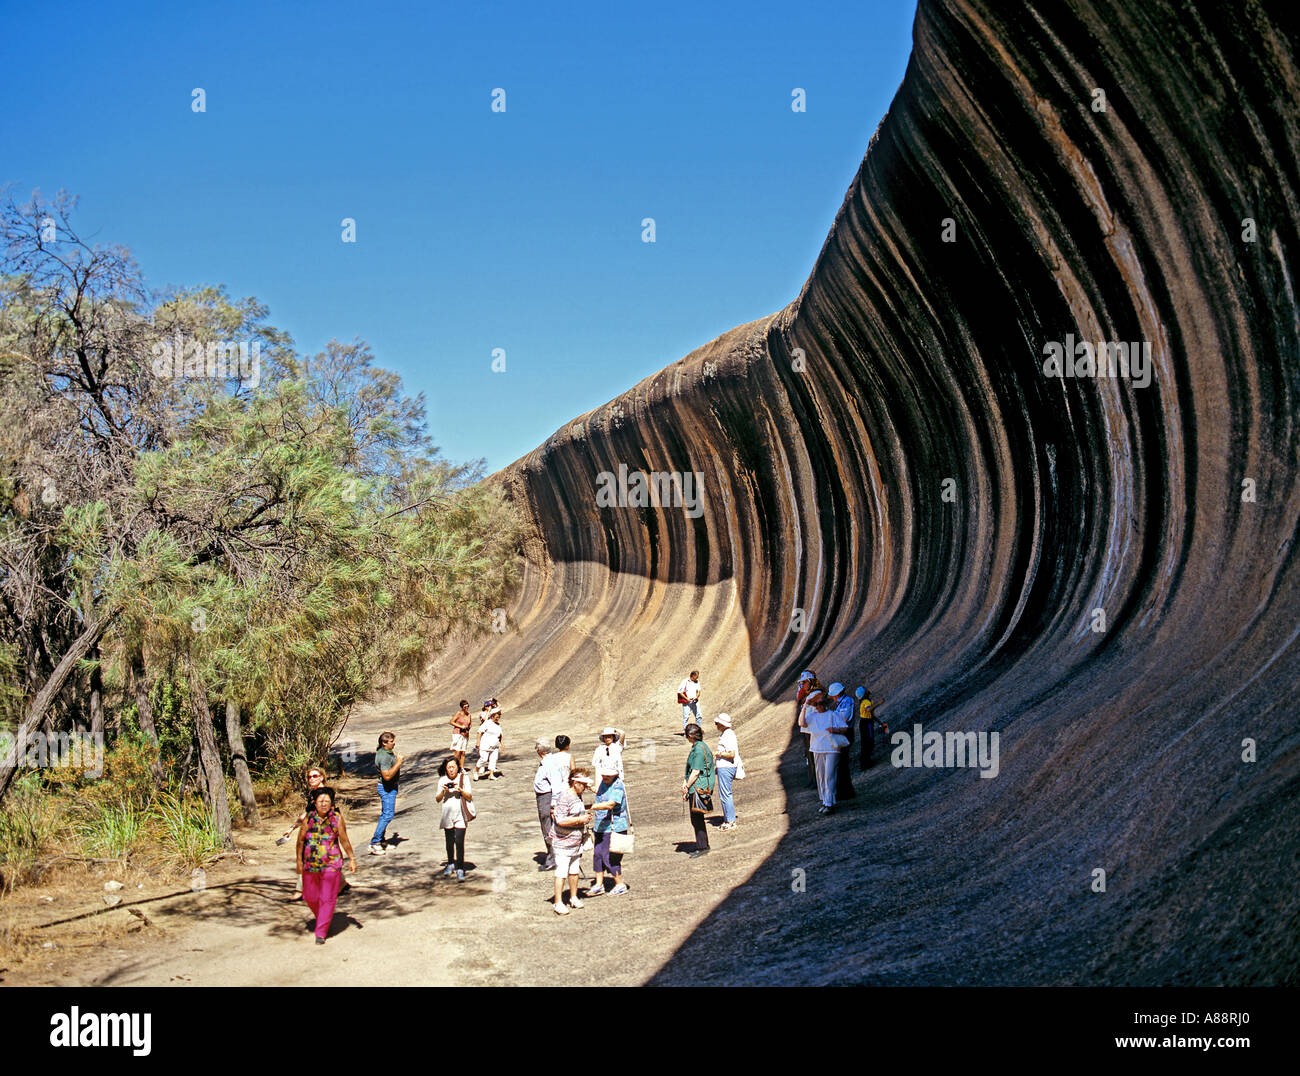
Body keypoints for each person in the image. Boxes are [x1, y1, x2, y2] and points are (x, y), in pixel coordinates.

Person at [296, 786, 357, 944]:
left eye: (327, 801)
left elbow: (344, 839)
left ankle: (321, 932)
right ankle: (323, 917)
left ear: (332, 803)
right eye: (320, 801)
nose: (323, 804)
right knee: (309, 897)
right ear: (314, 802)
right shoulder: (308, 818)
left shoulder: (336, 818)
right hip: (310, 865)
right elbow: (300, 841)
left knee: (327, 898)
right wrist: (298, 862)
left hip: (332, 864)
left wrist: (352, 858)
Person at [550, 766, 593, 914]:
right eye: (583, 784)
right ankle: (558, 902)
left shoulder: (577, 796)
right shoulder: (565, 796)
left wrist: (583, 817)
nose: (585, 787)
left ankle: (573, 897)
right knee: (562, 871)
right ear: (575, 783)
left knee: (574, 870)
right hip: (563, 841)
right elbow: (560, 820)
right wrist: (580, 819)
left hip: (575, 841)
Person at [801, 687, 849, 814]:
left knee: (829, 775)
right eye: (816, 704)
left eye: (821, 703)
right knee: (821, 776)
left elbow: (845, 727)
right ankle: (826, 801)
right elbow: (801, 723)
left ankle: (829, 803)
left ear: (825, 704)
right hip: (817, 749)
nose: (819, 706)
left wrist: (834, 730)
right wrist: (805, 706)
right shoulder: (811, 716)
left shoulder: (832, 714)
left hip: (832, 748)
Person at [588, 759, 630, 896]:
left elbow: (610, 804)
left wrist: (590, 807)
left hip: (614, 827)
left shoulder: (618, 786)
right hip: (601, 826)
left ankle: (620, 884)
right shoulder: (603, 783)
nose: (605, 777)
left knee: (611, 857)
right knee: (598, 854)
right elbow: (601, 795)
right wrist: (590, 787)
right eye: (603, 774)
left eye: (608, 775)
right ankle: (599, 884)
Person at [435, 757, 474, 881]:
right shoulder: (442, 780)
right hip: (447, 813)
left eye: (453, 767)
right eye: (449, 767)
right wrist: (443, 791)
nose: (451, 770)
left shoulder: (464, 779)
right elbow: (437, 799)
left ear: (458, 767)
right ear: (445, 768)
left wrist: (460, 790)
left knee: (459, 841)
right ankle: (451, 863)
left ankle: (460, 868)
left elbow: (469, 796)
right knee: (449, 841)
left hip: (460, 814)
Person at [681, 724, 715, 857]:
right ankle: (703, 844)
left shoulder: (699, 750)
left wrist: (687, 786)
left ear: (690, 736)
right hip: (696, 786)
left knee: (697, 818)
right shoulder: (699, 747)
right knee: (697, 817)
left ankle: (703, 847)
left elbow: (695, 772)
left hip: (698, 788)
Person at [369, 731, 402, 855]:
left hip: (390, 787)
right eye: (391, 741)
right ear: (384, 743)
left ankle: (382, 841)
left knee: (385, 814)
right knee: (388, 815)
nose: (394, 743)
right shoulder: (384, 757)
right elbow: (386, 776)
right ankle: (375, 842)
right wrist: (398, 763)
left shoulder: (386, 752)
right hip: (387, 788)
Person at [828, 684, 857, 801]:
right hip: (843, 732)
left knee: (842, 764)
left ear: (836, 694)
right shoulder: (845, 701)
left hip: (845, 733)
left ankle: (846, 792)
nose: (832, 698)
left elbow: (843, 718)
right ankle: (845, 791)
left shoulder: (846, 702)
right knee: (841, 764)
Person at [534, 738, 559, 871]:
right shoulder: (547, 762)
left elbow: (556, 784)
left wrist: (553, 804)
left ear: (539, 750)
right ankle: (552, 856)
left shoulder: (549, 763)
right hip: (543, 797)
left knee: (548, 826)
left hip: (547, 797)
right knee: (546, 825)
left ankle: (553, 858)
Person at [714, 714, 743, 829]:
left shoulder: (728, 735)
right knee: (725, 794)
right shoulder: (727, 734)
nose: (716, 725)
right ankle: (728, 819)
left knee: (725, 794)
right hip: (724, 767)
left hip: (726, 767)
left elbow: (731, 754)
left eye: (717, 723)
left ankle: (730, 821)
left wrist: (718, 754)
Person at [798, 687, 827, 787]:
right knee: (809, 757)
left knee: (815, 757)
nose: (803, 685)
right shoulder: (809, 696)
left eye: (804, 682)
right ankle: (812, 778)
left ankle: (817, 780)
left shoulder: (816, 693)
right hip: (806, 730)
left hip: (812, 731)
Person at [855, 686, 884, 769]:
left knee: (866, 743)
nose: (867, 689)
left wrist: (880, 723)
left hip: (866, 723)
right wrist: (879, 703)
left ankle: (865, 762)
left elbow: (871, 714)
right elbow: (869, 710)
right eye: (865, 689)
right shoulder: (866, 702)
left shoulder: (866, 701)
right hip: (867, 724)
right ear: (864, 693)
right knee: (869, 742)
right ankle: (865, 763)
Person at [475, 709, 503, 779]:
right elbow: (479, 732)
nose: (498, 717)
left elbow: (500, 735)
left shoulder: (498, 725)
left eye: (499, 716)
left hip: (495, 746)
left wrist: (501, 743)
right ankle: (476, 771)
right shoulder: (487, 723)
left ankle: (491, 774)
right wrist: (478, 742)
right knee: (483, 759)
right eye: (497, 715)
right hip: (485, 745)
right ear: (493, 715)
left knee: (493, 760)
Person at [450, 699, 472, 769]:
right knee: (457, 751)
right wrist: (460, 726)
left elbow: (470, 724)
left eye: (467, 706)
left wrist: (468, 728)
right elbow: (451, 722)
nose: (466, 708)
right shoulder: (458, 713)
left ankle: (461, 767)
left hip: (465, 734)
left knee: (463, 752)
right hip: (458, 733)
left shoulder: (469, 715)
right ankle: (454, 766)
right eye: (465, 707)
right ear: (462, 707)